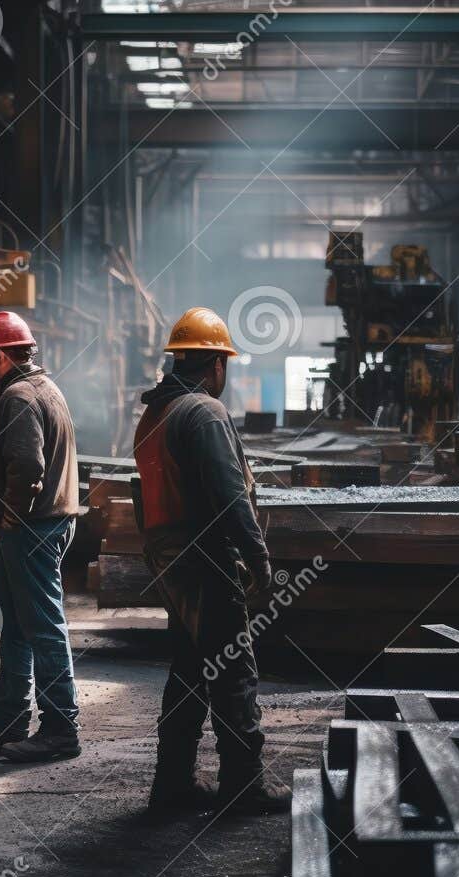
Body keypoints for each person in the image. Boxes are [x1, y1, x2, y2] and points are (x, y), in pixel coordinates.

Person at [132, 307, 289, 815]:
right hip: (204, 556)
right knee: (234, 668)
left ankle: (173, 783)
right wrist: (260, 561)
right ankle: (244, 783)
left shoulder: (154, 415)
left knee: (189, 667)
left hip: (168, 557)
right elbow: (229, 498)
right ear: (217, 364)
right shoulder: (204, 412)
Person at [0, 311, 82, 763]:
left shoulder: (20, 397)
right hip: (37, 525)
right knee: (13, 624)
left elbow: (26, 469)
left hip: (33, 529)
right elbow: (7, 470)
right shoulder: (44, 389)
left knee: (43, 626)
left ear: (4, 354)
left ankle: (61, 728)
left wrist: (9, 522)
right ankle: (8, 720)